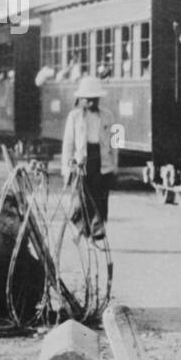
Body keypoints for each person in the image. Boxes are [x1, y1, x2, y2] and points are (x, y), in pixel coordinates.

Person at [61, 76, 116, 240]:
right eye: (88, 100)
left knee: (100, 197)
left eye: (95, 99)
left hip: (102, 159)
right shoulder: (75, 117)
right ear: (81, 100)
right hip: (83, 161)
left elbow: (117, 141)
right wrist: (66, 169)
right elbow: (68, 143)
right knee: (83, 197)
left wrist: (115, 165)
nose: (91, 103)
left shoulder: (108, 116)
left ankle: (96, 230)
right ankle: (84, 228)